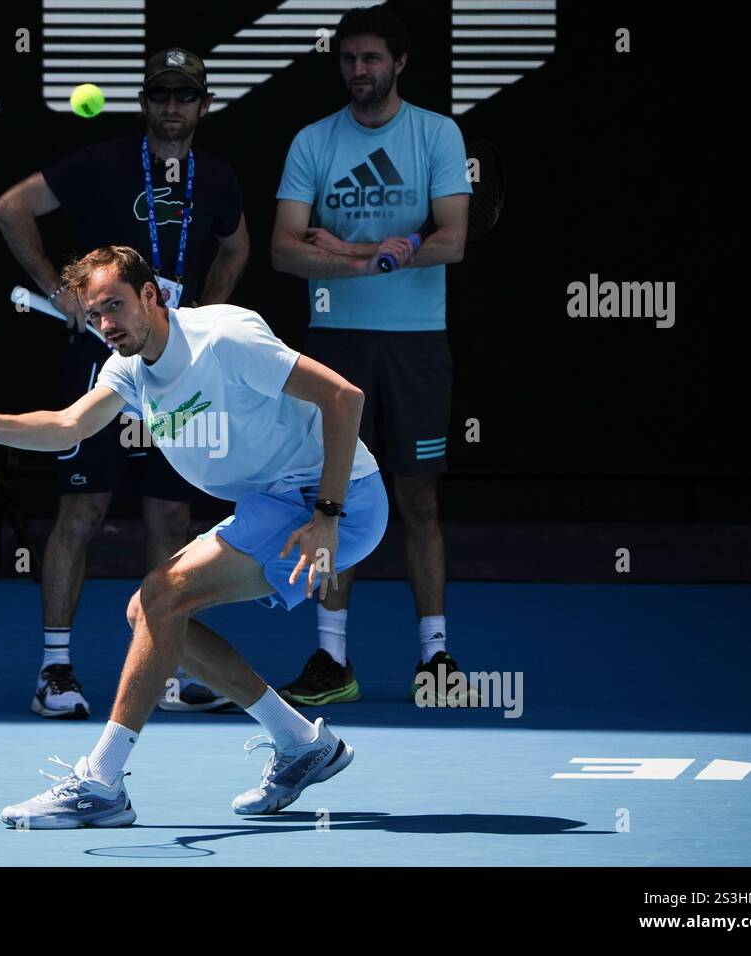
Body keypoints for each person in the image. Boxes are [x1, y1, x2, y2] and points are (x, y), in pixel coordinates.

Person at [0, 245, 389, 827]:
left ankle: (100, 782)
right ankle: (301, 743)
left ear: (151, 295)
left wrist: (327, 514)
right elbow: (69, 426)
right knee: (147, 612)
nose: (105, 324)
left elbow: (344, 397)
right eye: (94, 313)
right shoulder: (126, 369)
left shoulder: (225, 338)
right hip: (274, 501)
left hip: (336, 497)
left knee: (162, 593)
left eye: (116, 306)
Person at [0, 48, 250, 719]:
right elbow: (9, 208)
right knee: (84, 511)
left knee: (172, 513)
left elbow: (236, 245)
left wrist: (206, 314)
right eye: (161, 95)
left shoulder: (216, 178)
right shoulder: (100, 163)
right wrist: (60, 289)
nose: (172, 107)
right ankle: (55, 671)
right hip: (104, 361)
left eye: (185, 96)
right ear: (145, 102)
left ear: (203, 105)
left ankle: (168, 667)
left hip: (177, 368)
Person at [270, 3, 473, 706]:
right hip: (335, 344)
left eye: (372, 59)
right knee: (335, 498)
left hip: (417, 344)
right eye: (350, 59)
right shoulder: (313, 142)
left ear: (399, 63)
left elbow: (453, 238)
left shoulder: (437, 135)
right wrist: (369, 259)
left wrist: (358, 248)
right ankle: (332, 660)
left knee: (418, 499)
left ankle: (436, 659)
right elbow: (286, 249)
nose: (360, 71)